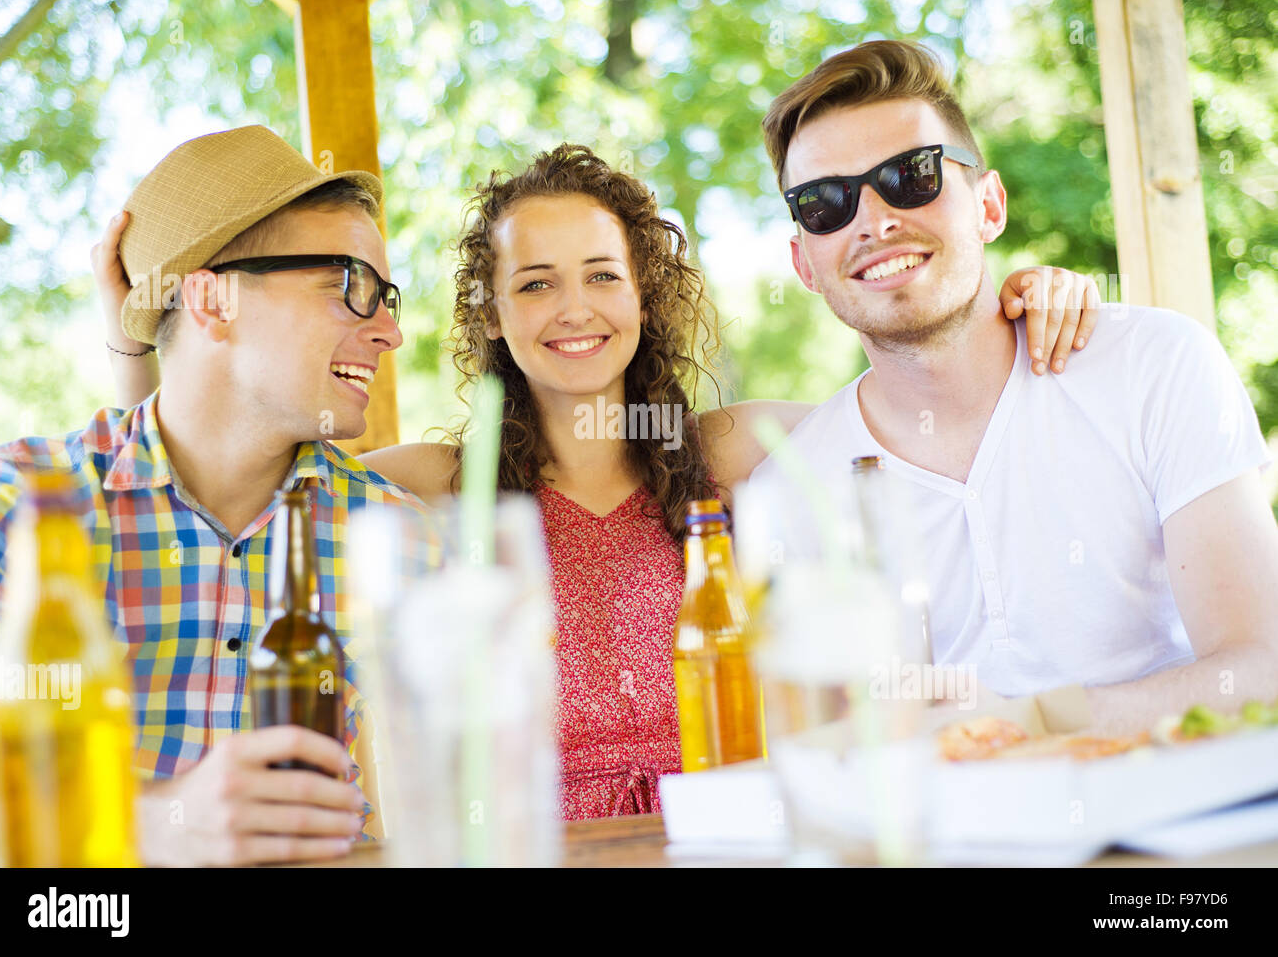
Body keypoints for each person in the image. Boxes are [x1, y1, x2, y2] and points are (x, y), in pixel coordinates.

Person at [96, 143, 1097, 818]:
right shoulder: (441, 483)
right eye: (534, 282)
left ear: (643, 295)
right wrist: (135, 335)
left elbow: (926, 399)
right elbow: (225, 453)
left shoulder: (730, 449)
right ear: (492, 312)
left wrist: (1015, 298)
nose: (573, 308)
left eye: (601, 273)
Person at [747, 39, 1278, 733]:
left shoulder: (1155, 365)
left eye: (912, 175)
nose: (874, 220)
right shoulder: (790, 494)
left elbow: (1262, 666)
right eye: (825, 203)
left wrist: (1033, 719)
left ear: (989, 205)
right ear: (804, 264)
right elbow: (833, 751)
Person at [0, 125, 430, 866]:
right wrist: (148, 825)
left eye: (388, 297)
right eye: (351, 286)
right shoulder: (13, 509)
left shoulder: (397, 541)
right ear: (212, 299)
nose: (391, 332)